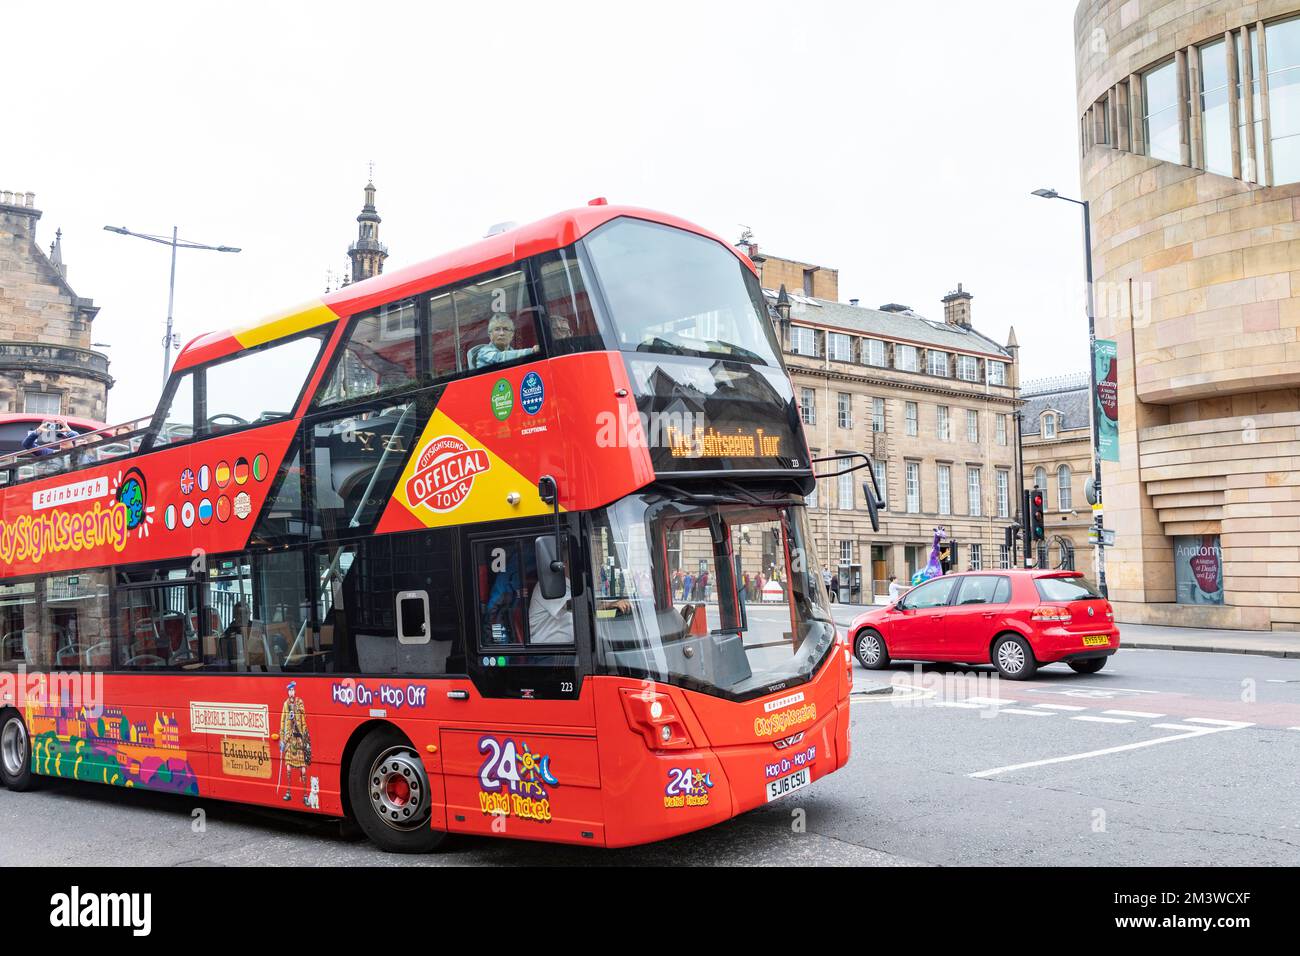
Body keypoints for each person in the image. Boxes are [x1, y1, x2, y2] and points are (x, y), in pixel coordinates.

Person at [469, 315, 539, 368]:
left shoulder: (513, 352)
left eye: (505, 329)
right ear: (490, 334)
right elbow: (499, 358)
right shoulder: (483, 352)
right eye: (497, 329)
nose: (502, 333)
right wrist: (532, 351)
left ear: (512, 334)